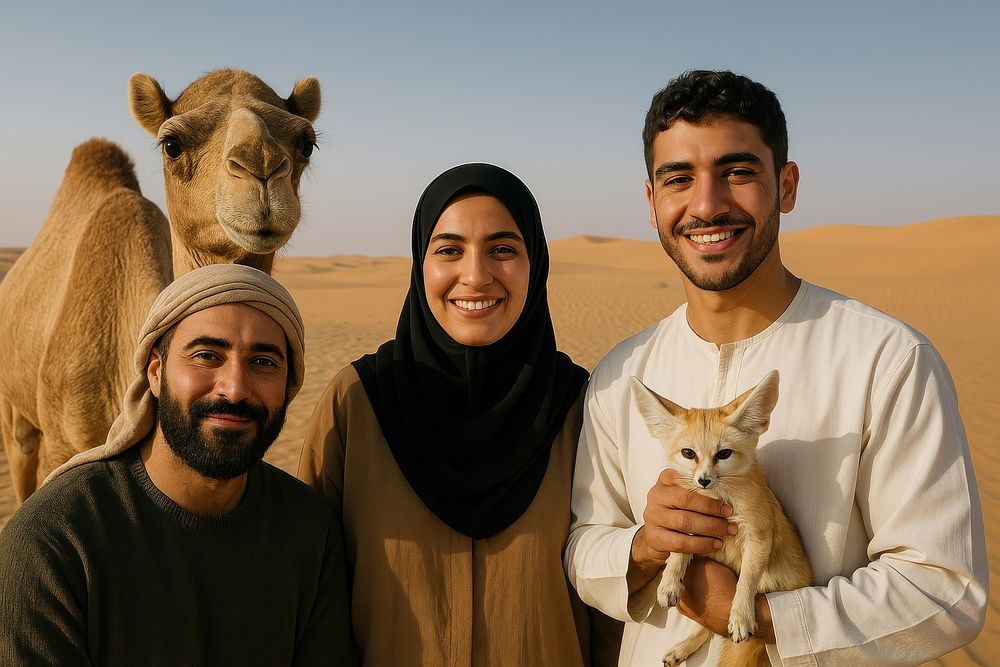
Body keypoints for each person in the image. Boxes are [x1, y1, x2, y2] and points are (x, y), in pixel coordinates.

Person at [563, 70, 988, 665]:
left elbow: (945, 589)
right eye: (679, 179)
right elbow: (583, 550)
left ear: (786, 186)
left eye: (738, 173)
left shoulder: (886, 360)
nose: (707, 205)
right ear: (652, 201)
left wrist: (759, 617)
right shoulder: (620, 376)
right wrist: (641, 549)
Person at [298, 163, 622, 665]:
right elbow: (311, 598)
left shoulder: (581, 408)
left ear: (535, 263)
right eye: (448, 249)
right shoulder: (359, 403)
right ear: (419, 265)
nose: (475, 275)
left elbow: (614, 618)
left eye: (503, 249)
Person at [0, 264, 357, 665]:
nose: (235, 388)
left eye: (264, 363)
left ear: (289, 385)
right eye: (207, 356)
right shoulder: (56, 538)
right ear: (156, 372)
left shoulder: (308, 529)